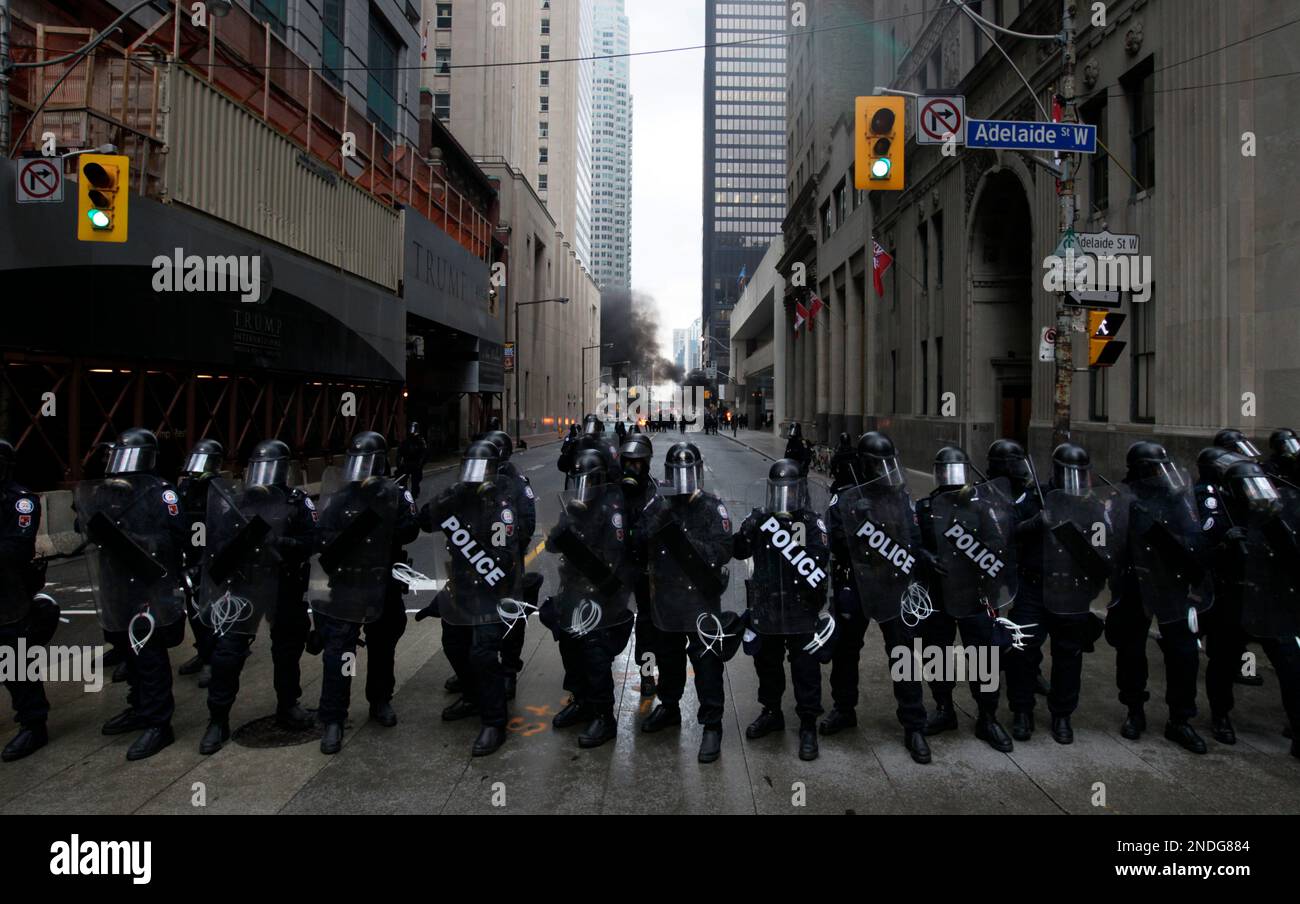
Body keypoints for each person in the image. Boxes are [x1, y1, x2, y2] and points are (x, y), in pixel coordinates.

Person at [196, 440, 318, 754]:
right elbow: (218, 546)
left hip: (285, 584)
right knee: (228, 653)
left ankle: (288, 704)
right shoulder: (236, 501)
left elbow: (314, 540)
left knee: (287, 651)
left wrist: (283, 542)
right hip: (245, 586)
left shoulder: (297, 501)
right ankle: (218, 718)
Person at [77, 428, 188, 760]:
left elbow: (177, 538)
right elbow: (84, 526)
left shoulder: (161, 493)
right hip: (116, 582)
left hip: (148, 584)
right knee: (128, 651)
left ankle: (158, 722)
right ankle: (138, 706)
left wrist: (139, 540)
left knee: (149, 653)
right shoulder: (108, 492)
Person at [823, 431, 931, 763]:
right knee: (845, 651)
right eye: (878, 464)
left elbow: (913, 536)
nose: (885, 470)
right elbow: (836, 540)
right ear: (866, 465)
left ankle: (914, 724)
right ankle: (844, 708)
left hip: (892, 583)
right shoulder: (843, 497)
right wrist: (859, 519)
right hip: (854, 583)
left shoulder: (900, 497)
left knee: (903, 653)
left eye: (889, 463)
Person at [311, 431, 418, 755]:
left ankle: (380, 699)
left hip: (382, 581)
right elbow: (323, 538)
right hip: (347, 585)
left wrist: (386, 519)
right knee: (340, 652)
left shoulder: (396, 494)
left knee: (382, 647)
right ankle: (333, 718)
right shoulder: (340, 497)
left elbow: (410, 529)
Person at [1003, 442, 1112, 745]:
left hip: (1070, 591)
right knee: (1021, 650)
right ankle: (1022, 710)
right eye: (1068, 473)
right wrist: (1034, 523)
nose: (1073, 480)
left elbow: (1102, 550)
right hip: (1033, 587)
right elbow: (1006, 532)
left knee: (1068, 654)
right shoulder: (1033, 497)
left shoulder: (1090, 505)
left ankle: (1062, 713)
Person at [1105, 442, 1207, 753]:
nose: (1156, 473)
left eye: (1159, 466)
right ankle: (1134, 709)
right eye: (1150, 467)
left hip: (1171, 585)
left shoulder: (1177, 497)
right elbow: (1108, 543)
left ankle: (1180, 718)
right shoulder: (1120, 498)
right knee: (1131, 650)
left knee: (1184, 653)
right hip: (1135, 584)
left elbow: (1193, 536)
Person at [424, 440, 523, 756]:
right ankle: (471, 695)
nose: (475, 476)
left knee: (483, 654)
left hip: (491, 592)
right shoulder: (459, 499)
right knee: (454, 644)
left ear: (494, 471)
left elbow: (503, 556)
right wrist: (445, 498)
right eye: (470, 468)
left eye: (482, 469)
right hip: (461, 588)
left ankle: (494, 722)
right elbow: (424, 522)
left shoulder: (501, 506)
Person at [1200, 452, 1300, 755]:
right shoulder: (1218, 510)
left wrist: (1278, 528)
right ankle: (1221, 715)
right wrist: (1222, 544)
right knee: (1223, 661)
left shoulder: (1276, 512)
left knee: (1291, 665)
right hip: (1233, 601)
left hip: (1271, 600)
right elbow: (1198, 555)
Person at [640, 442, 735, 762]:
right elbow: (641, 540)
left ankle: (711, 725)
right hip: (666, 597)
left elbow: (722, 550)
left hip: (699, 598)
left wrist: (681, 537)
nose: (681, 480)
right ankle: (669, 707)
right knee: (668, 659)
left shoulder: (711, 507)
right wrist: (657, 518)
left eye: (687, 473)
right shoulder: (658, 503)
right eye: (675, 474)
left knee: (706, 663)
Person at [917, 446, 1016, 752]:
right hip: (938, 592)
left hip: (974, 593)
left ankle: (987, 716)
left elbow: (999, 545)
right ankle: (944, 708)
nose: (949, 478)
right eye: (944, 471)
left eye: (954, 471)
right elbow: (913, 542)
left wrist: (986, 570)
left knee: (983, 658)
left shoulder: (981, 507)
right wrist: (924, 555)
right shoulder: (925, 507)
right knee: (937, 654)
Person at [733, 459, 830, 761]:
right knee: (767, 663)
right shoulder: (761, 518)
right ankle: (772, 711)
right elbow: (737, 551)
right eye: (779, 490)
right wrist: (749, 528)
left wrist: (792, 539)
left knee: (805, 668)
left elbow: (819, 562)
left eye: (790, 490)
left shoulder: (812, 523)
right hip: (768, 606)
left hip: (800, 608)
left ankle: (808, 723)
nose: (784, 496)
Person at [545, 448, 633, 748]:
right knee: (570, 648)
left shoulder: (613, 508)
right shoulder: (573, 507)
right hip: (572, 589)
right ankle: (581, 701)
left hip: (602, 594)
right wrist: (564, 528)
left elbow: (612, 558)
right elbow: (553, 545)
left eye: (589, 480)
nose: (583, 486)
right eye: (578, 480)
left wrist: (579, 542)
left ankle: (604, 716)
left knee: (595, 654)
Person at [472, 430, 537, 700]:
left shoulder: (517, 482)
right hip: (475, 561)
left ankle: (508, 670)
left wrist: (507, 550)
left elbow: (527, 522)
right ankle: (472, 672)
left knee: (510, 616)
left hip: (507, 562)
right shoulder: (477, 476)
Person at [0, 439, 52, 761]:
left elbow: (16, 548)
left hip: (8, 593)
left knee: (15, 661)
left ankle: (34, 723)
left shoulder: (21, 502)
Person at [176, 439, 224, 687]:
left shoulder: (220, 489)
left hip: (212, 558)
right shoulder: (185, 488)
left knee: (211, 611)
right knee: (194, 610)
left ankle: (212, 658)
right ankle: (204, 652)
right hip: (191, 557)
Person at [619, 432, 659, 696]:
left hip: (644, 568)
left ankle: (647, 675)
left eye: (638, 462)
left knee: (647, 624)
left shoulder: (655, 493)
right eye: (628, 461)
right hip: (617, 565)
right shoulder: (612, 489)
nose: (633, 467)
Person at [396, 422, 429, 499]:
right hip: (407, 463)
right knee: (403, 479)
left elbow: (424, 453)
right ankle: (404, 493)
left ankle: (414, 494)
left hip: (416, 463)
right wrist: (399, 463)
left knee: (415, 481)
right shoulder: (406, 441)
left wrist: (420, 463)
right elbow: (400, 452)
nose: (413, 432)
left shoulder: (420, 441)